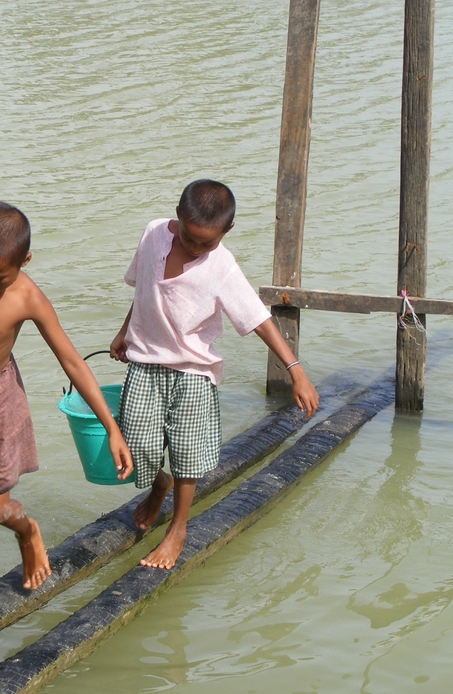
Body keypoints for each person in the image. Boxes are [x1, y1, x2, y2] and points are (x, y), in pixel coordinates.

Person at [0, 200, 134, 625]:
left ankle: (28, 531)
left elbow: (72, 361)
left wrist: (111, 427)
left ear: (25, 260)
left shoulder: (27, 297)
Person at [109, 179, 319, 570]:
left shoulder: (221, 266)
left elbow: (259, 319)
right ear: (177, 218)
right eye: (190, 238)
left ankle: (178, 529)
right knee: (137, 441)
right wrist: (125, 331)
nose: (196, 248)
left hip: (193, 367)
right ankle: (159, 487)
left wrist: (296, 370)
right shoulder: (154, 234)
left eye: (207, 243)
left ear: (227, 232)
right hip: (145, 360)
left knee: (187, 453)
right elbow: (144, 291)